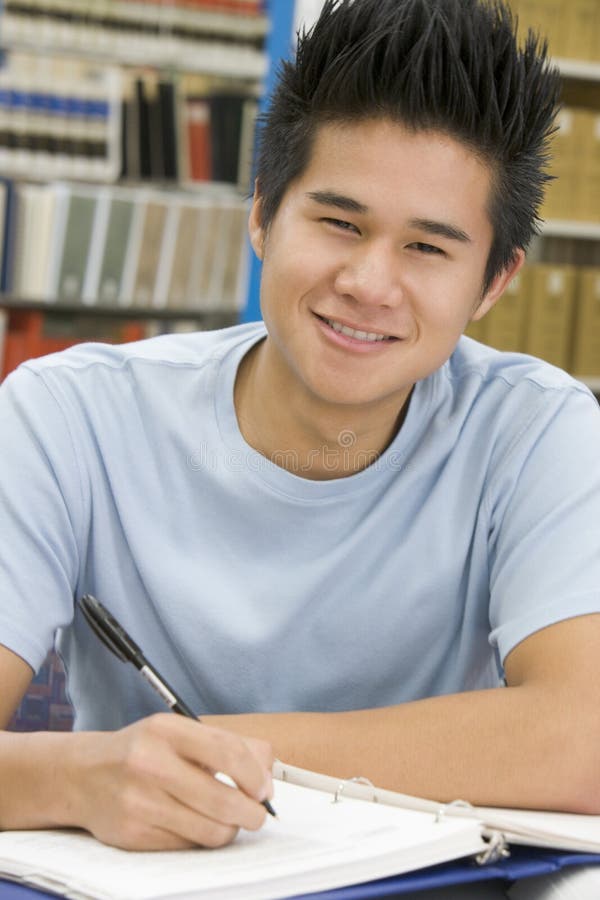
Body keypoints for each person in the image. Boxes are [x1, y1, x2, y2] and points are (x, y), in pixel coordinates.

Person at [1, 0, 599, 875]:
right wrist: (78, 778)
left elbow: (581, 739)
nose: (368, 283)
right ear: (262, 215)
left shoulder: (537, 429)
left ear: (493, 282)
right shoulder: (66, 414)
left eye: (429, 249)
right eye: (339, 223)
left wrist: (222, 748)